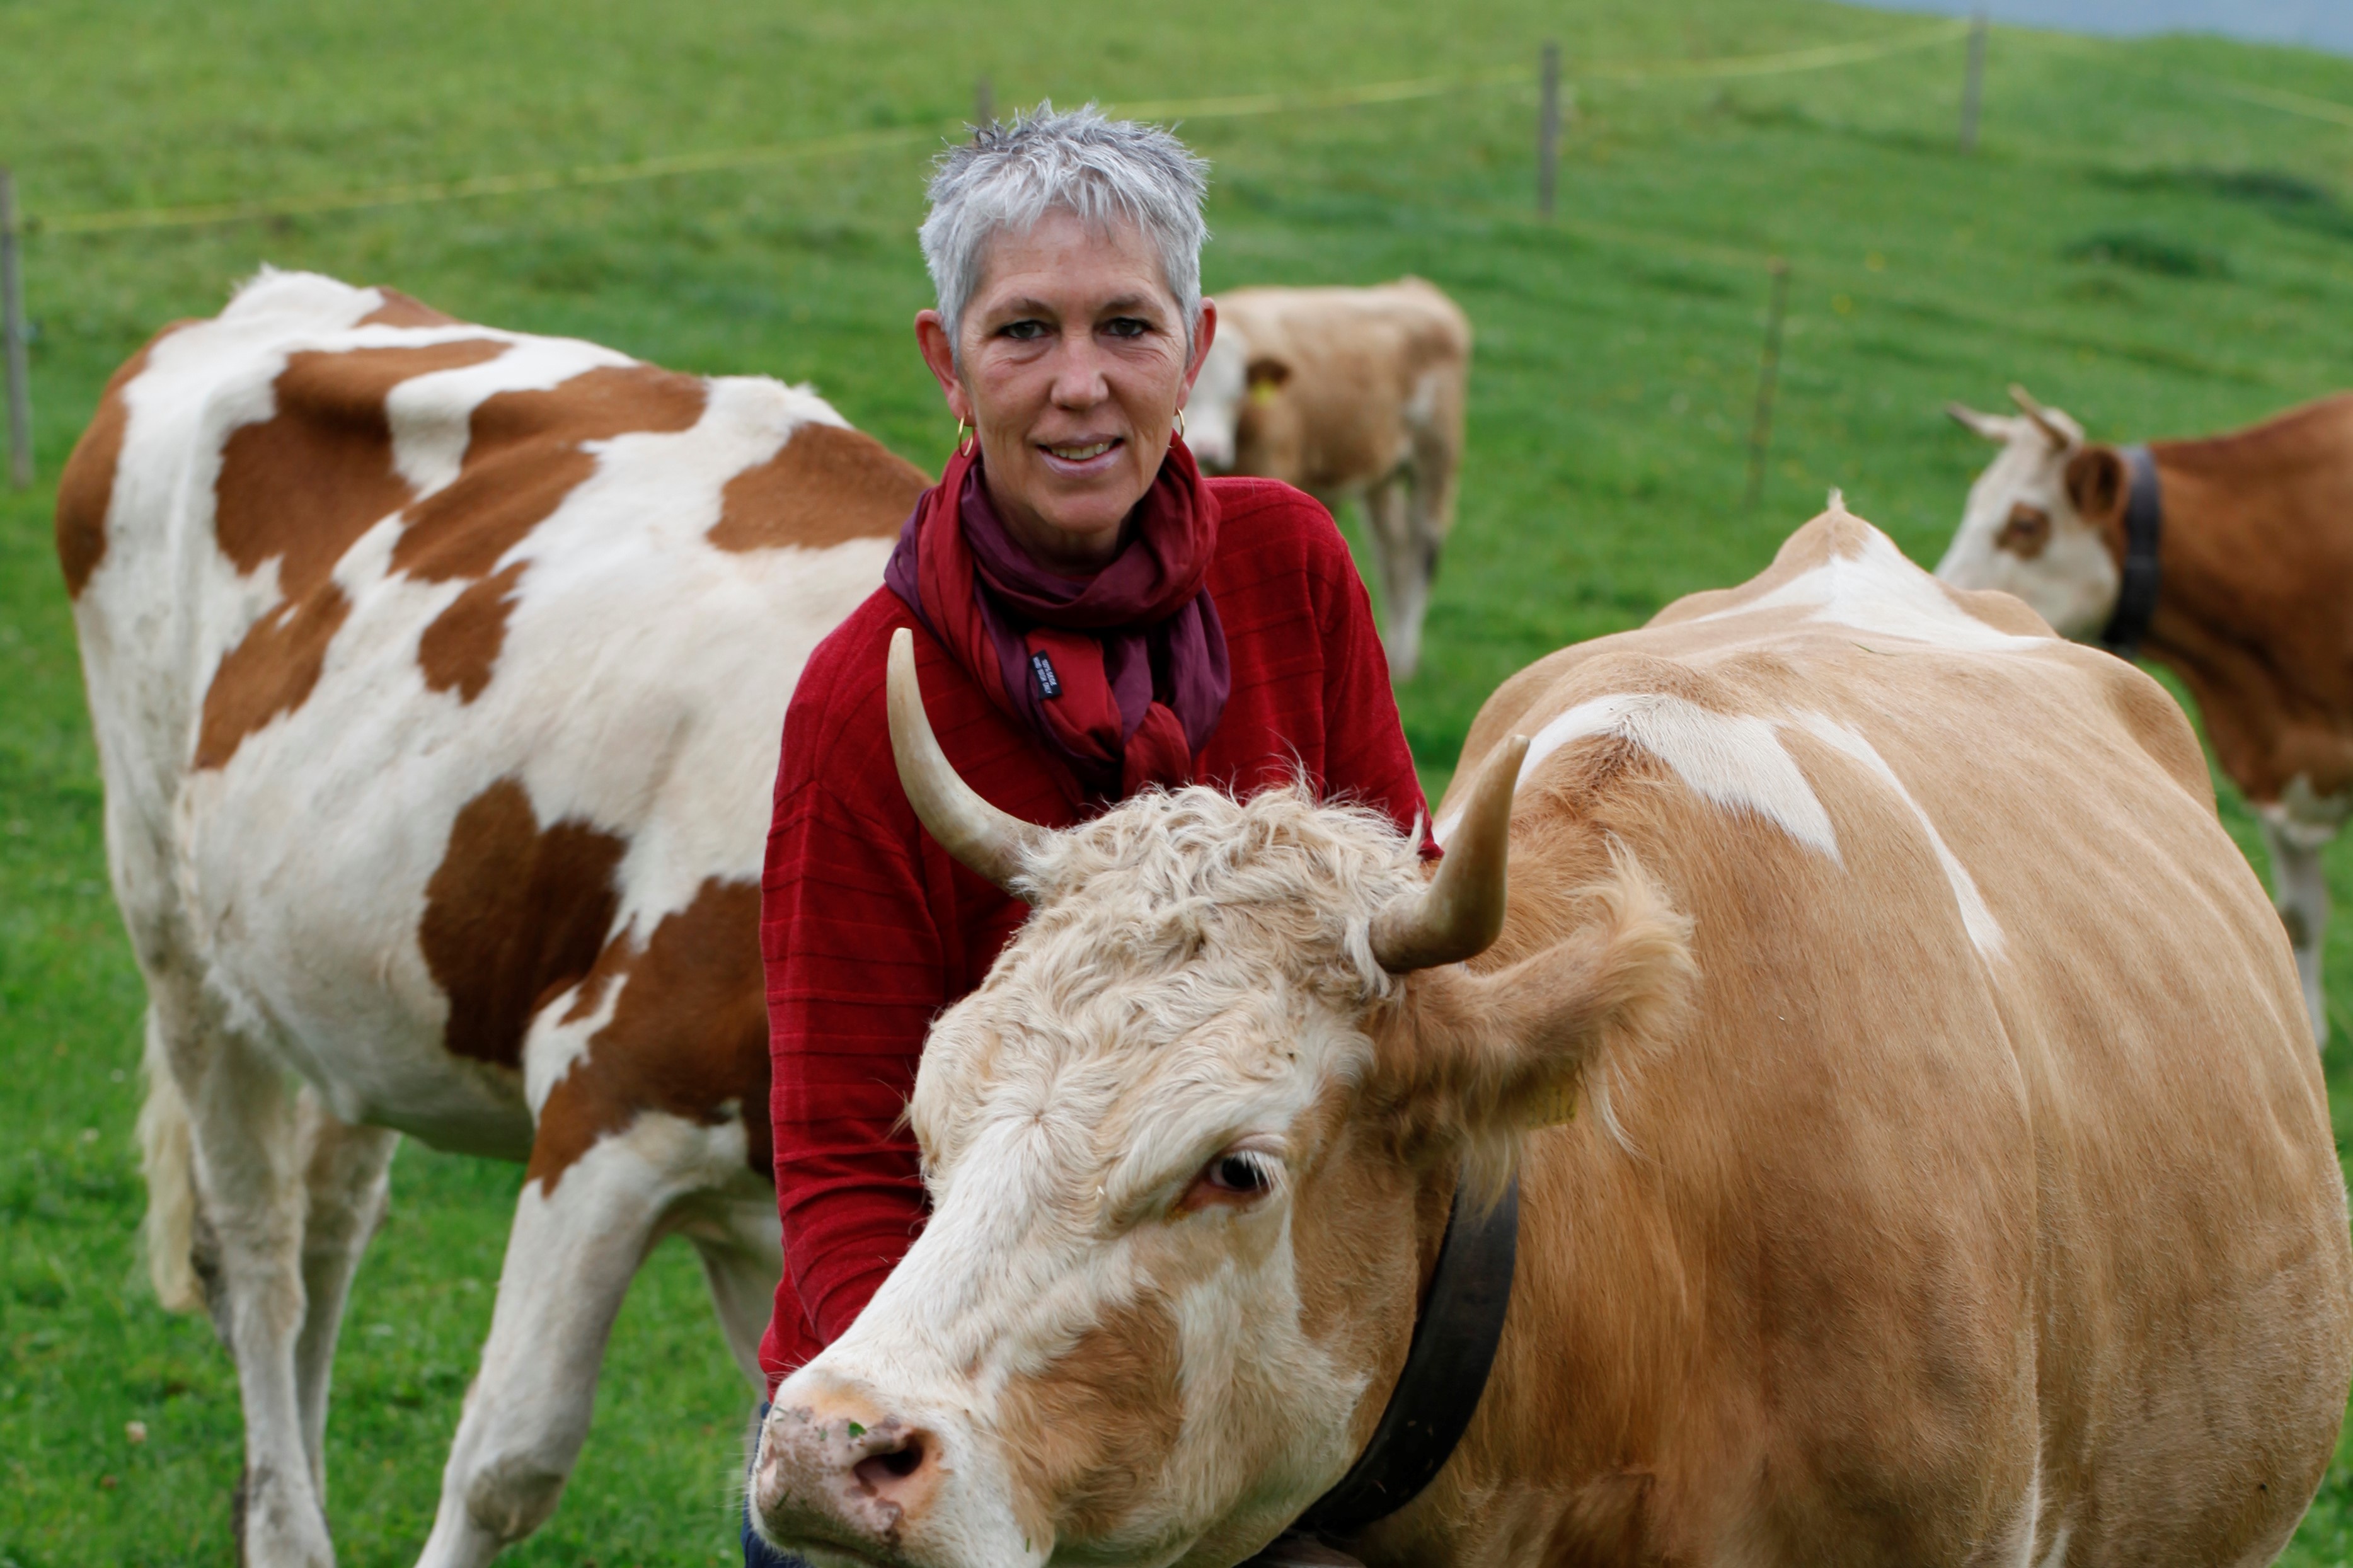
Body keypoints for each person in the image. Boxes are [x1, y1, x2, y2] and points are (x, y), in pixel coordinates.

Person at [745, 104, 1430, 1564]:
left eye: (1126, 327)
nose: (1079, 386)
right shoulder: (863, 703)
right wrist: (959, 1430)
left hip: (1247, 1370)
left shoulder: (1293, 567)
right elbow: (843, 1163)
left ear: (1197, 348)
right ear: (946, 363)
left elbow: (1401, 982)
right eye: (1022, 333)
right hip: (955, 1383)